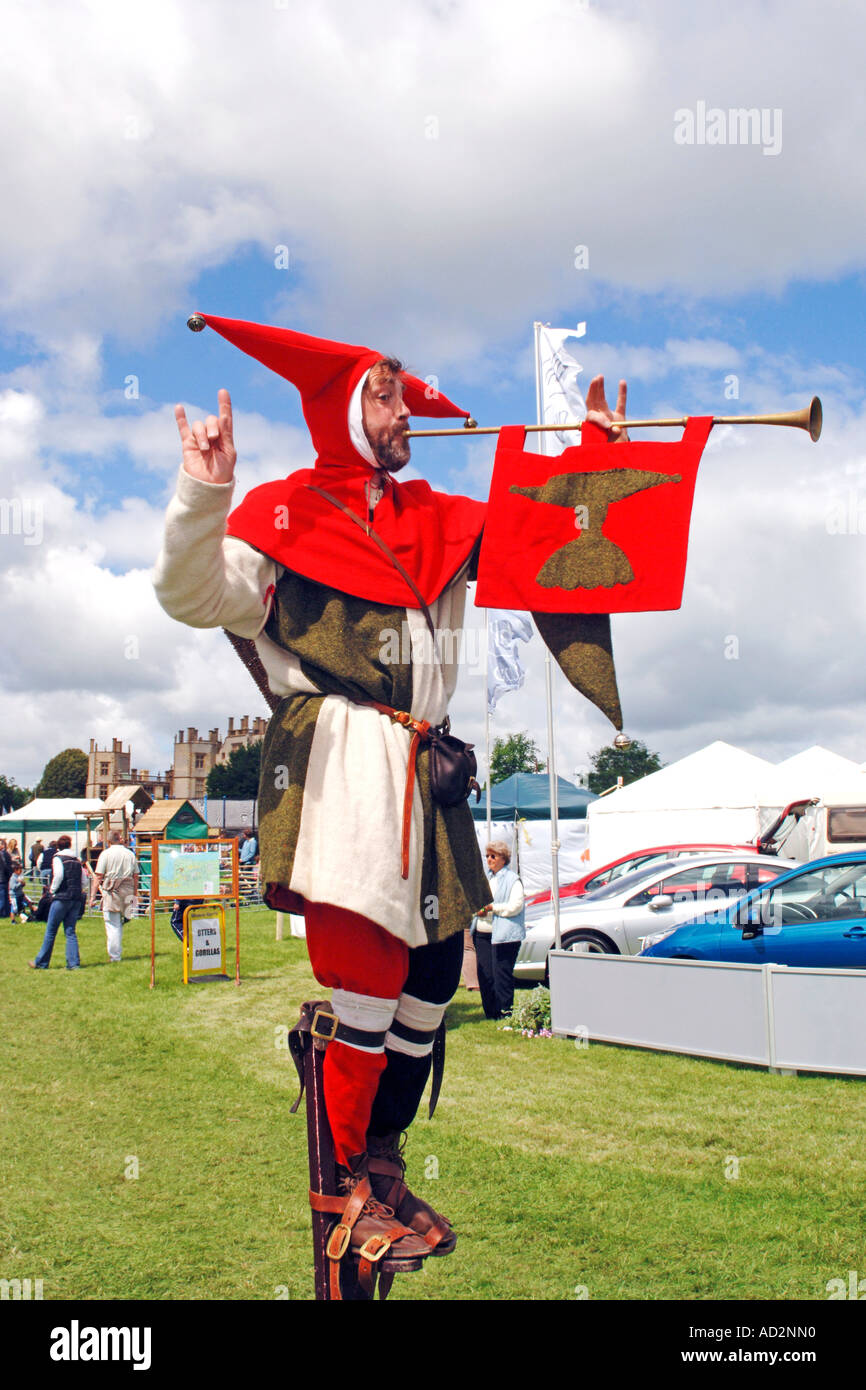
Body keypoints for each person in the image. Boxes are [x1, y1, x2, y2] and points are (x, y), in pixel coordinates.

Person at [154, 315, 629, 1272]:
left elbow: (548, 540)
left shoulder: (437, 516)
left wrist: (589, 463)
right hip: (342, 764)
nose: (406, 409)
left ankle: (380, 1160)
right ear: (339, 409)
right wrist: (206, 493)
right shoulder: (284, 516)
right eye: (384, 393)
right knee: (363, 982)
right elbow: (189, 592)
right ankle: (344, 1201)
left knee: (429, 983)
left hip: (429, 770)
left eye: (404, 392)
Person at [473, 841, 526, 1020]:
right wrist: (478, 909)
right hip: (482, 933)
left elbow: (515, 906)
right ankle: (491, 1013)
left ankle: (505, 1012)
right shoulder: (485, 878)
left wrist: (492, 908)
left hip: (504, 935)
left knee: (501, 974)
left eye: (493, 856)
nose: (489, 859)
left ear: (503, 858)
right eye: (487, 856)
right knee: (485, 974)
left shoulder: (513, 879)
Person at [29, 835, 83, 970]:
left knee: (51, 931)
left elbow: (58, 876)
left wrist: (52, 891)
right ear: (70, 845)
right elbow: (85, 880)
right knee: (70, 931)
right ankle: (73, 963)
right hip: (76, 899)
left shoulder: (58, 859)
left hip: (62, 898)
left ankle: (41, 962)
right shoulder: (77, 860)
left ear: (58, 847)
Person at [91, 831, 139, 962]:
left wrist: (92, 897)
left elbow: (98, 876)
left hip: (113, 891)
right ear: (120, 840)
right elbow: (136, 875)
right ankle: (116, 953)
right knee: (120, 923)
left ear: (108, 841)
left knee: (112, 925)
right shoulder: (130, 854)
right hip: (128, 890)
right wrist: (135, 894)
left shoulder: (106, 854)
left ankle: (115, 956)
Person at [0, 839, 11, 919]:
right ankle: (2, 913)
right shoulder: (3, 854)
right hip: (2, 879)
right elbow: (5, 867)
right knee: (3, 897)